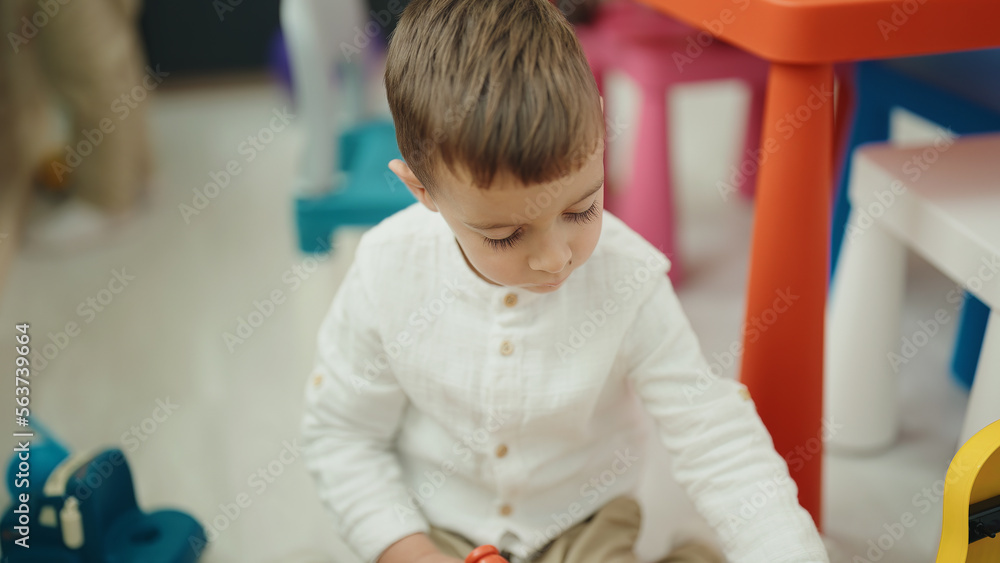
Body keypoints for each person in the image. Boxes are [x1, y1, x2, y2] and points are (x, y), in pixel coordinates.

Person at [301, 1, 830, 562]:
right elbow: (342, 435)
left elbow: (715, 437)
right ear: (422, 190)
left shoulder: (629, 276)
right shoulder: (387, 270)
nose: (555, 259)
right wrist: (407, 550)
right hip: (433, 524)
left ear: (600, 129)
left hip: (583, 525)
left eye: (581, 211)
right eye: (505, 236)